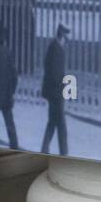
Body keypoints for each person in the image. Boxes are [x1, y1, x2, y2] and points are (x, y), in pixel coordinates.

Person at [40, 23, 71, 156]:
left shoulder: (53, 47)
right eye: (66, 39)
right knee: (61, 127)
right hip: (56, 93)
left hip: (52, 92)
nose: (66, 42)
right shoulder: (57, 50)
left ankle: (44, 150)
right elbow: (56, 74)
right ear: (62, 37)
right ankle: (64, 154)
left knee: (52, 122)